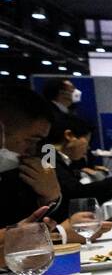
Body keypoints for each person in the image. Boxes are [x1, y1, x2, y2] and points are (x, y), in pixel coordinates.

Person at [1, 86, 70, 224]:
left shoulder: (21, 172)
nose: (32, 150)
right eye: (30, 141)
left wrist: (51, 196)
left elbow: (31, 222)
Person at [52, 115, 112, 204]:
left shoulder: (56, 157)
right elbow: (74, 193)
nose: (88, 147)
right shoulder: (47, 156)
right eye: (87, 141)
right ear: (69, 135)